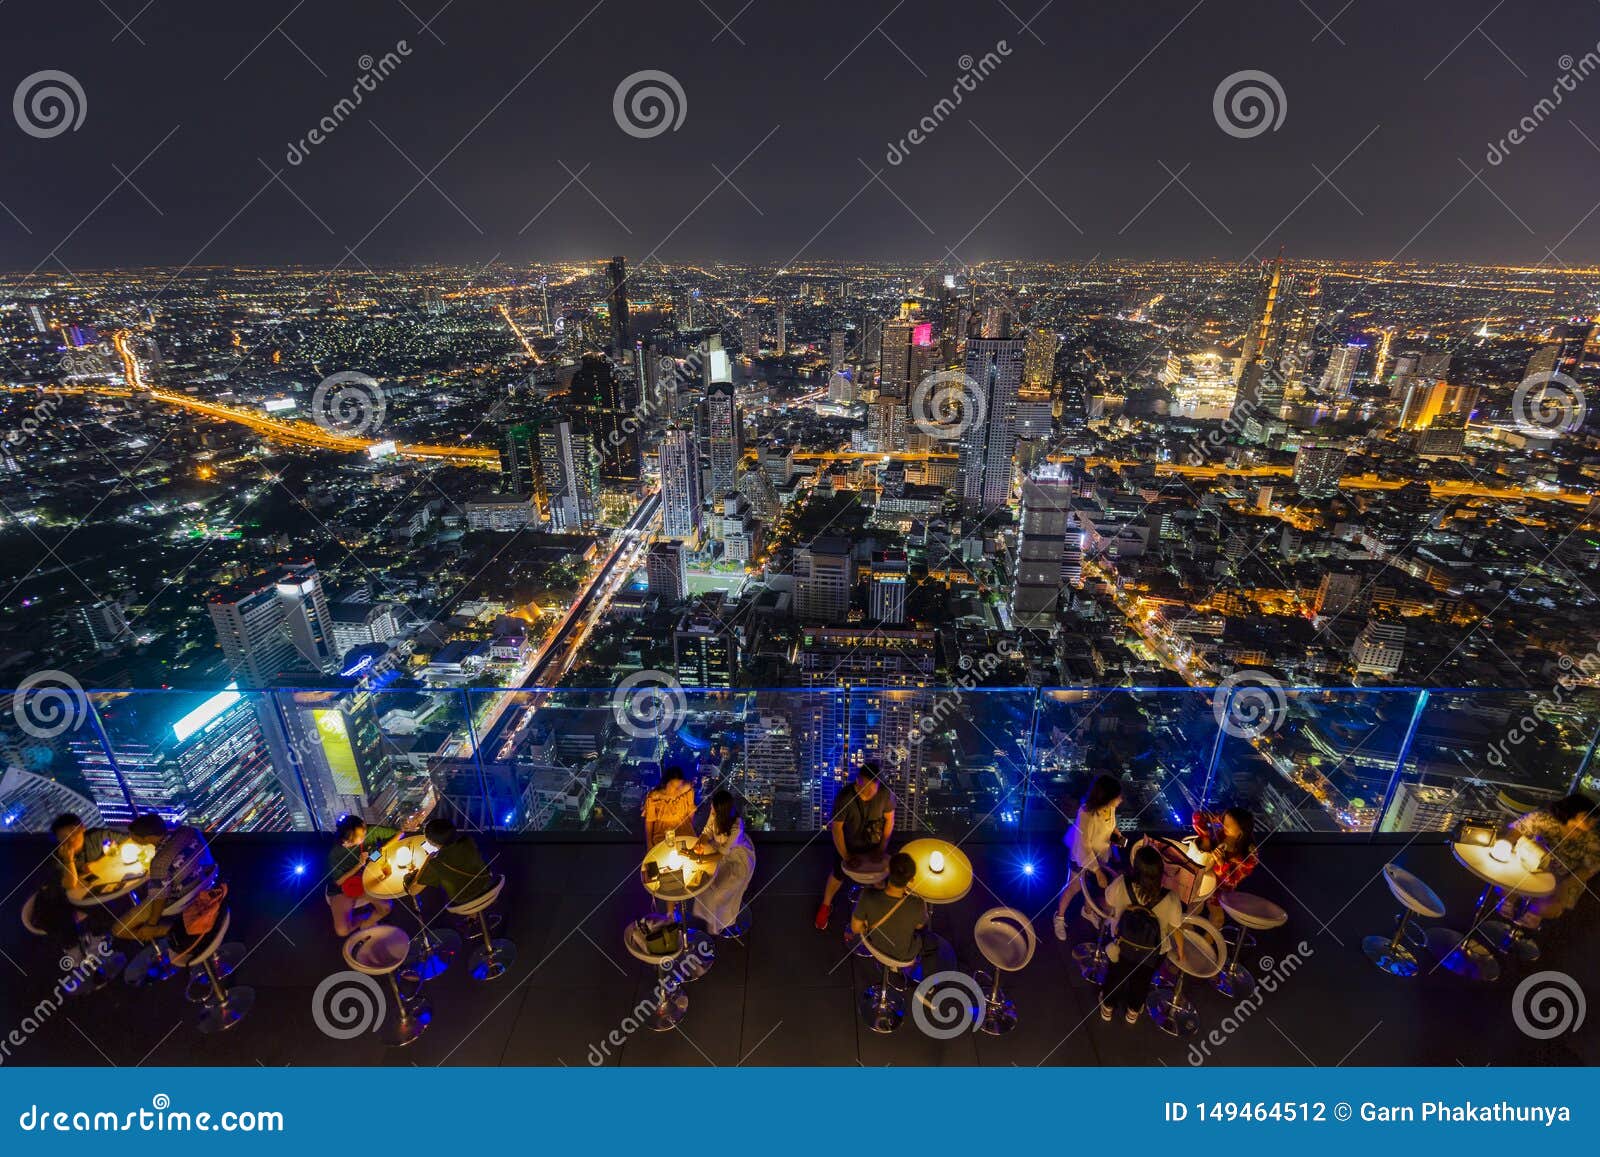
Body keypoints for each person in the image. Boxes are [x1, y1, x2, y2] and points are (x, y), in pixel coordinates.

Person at [1099, 844, 1184, 1024]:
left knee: (1116, 975)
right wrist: (1181, 953)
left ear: (1135, 868)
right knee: (1142, 981)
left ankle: (1108, 1007)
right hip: (1152, 952)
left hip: (1121, 945)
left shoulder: (1122, 884)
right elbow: (1176, 928)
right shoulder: (1171, 897)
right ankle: (1133, 1011)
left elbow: (1107, 902)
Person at [814, 761, 896, 931]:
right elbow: (836, 830)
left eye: (874, 787)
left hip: (874, 844)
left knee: (879, 878)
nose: (870, 791)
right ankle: (825, 905)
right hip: (849, 844)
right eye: (866, 786)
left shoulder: (884, 794)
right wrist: (846, 857)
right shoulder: (845, 797)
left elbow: (890, 820)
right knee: (837, 874)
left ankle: (879, 910)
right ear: (858, 781)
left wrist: (882, 848)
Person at [1508, 793, 1600, 924]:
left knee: (1547, 908)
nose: (1593, 822)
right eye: (1588, 817)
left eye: (1594, 819)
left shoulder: (1591, 840)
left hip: (1560, 880)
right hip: (1527, 868)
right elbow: (1515, 831)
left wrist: (1566, 884)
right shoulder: (1542, 820)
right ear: (1574, 811)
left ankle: (1526, 921)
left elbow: (1589, 869)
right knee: (1506, 893)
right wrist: (1505, 847)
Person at [1053, 772, 1123, 941]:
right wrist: (1097, 871)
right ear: (1106, 797)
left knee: (1091, 888)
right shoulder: (1086, 813)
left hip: (1100, 856)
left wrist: (1117, 835)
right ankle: (1059, 917)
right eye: (1117, 797)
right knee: (1074, 888)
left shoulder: (1110, 808)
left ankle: (1088, 911)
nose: (1120, 799)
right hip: (1081, 857)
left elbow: (1111, 826)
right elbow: (1084, 845)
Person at [691, 789, 756, 934]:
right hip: (719, 851)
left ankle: (725, 920)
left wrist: (700, 859)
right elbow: (707, 831)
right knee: (705, 884)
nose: (711, 809)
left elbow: (721, 854)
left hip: (737, 859)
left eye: (713, 807)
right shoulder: (715, 814)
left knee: (720, 892)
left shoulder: (736, 826)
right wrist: (699, 843)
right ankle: (711, 917)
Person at [325, 815, 398, 936]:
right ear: (345, 841)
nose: (363, 838)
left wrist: (382, 849)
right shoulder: (334, 853)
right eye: (358, 838)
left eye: (363, 833)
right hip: (344, 886)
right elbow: (338, 882)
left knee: (386, 907)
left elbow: (399, 833)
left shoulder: (369, 830)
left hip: (368, 874)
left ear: (363, 825)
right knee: (342, 931)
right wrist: (359, 865)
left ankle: (369, 922)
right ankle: (366, 916)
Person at [850, 851, 927, 962]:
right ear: (911, 879)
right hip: (904, 958)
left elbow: (855, 929)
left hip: (875, 948)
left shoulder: (868, 895)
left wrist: (867, 924)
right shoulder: (918, 903)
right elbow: (919, 926)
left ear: (888, 871)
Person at [1192, 806, 1258, 926]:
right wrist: (1212, 820)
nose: (1223, 826)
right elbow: (1198, 817)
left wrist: (1221, 864)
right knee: (1192, 909)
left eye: (1228, 824)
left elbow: (1231, 882)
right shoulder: (1223, 833)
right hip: (1204, 877)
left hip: (1220, 889)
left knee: (1217, 919)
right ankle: (1185, 937)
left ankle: (1208, 943)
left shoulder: (1249, 856)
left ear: (1241, 831)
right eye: (1223, 822)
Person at [407, 817, 493, 906]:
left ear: (432, 843)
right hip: (488, 882)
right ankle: (474, 914)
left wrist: (428, 860)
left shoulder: (436, 863)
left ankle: (473, 911)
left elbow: (413, 891)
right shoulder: (467, 840)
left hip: (464, 899)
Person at [642, 765, 697, 847]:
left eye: (679, 787)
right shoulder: (653, 798)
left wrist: (690, 829)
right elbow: (649, 821)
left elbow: (691, 814)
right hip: (662, 837)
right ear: (666, 783)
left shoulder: (687, 793)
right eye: (673, 786)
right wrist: (649, 843)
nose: (675, 790)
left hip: (685, 834)